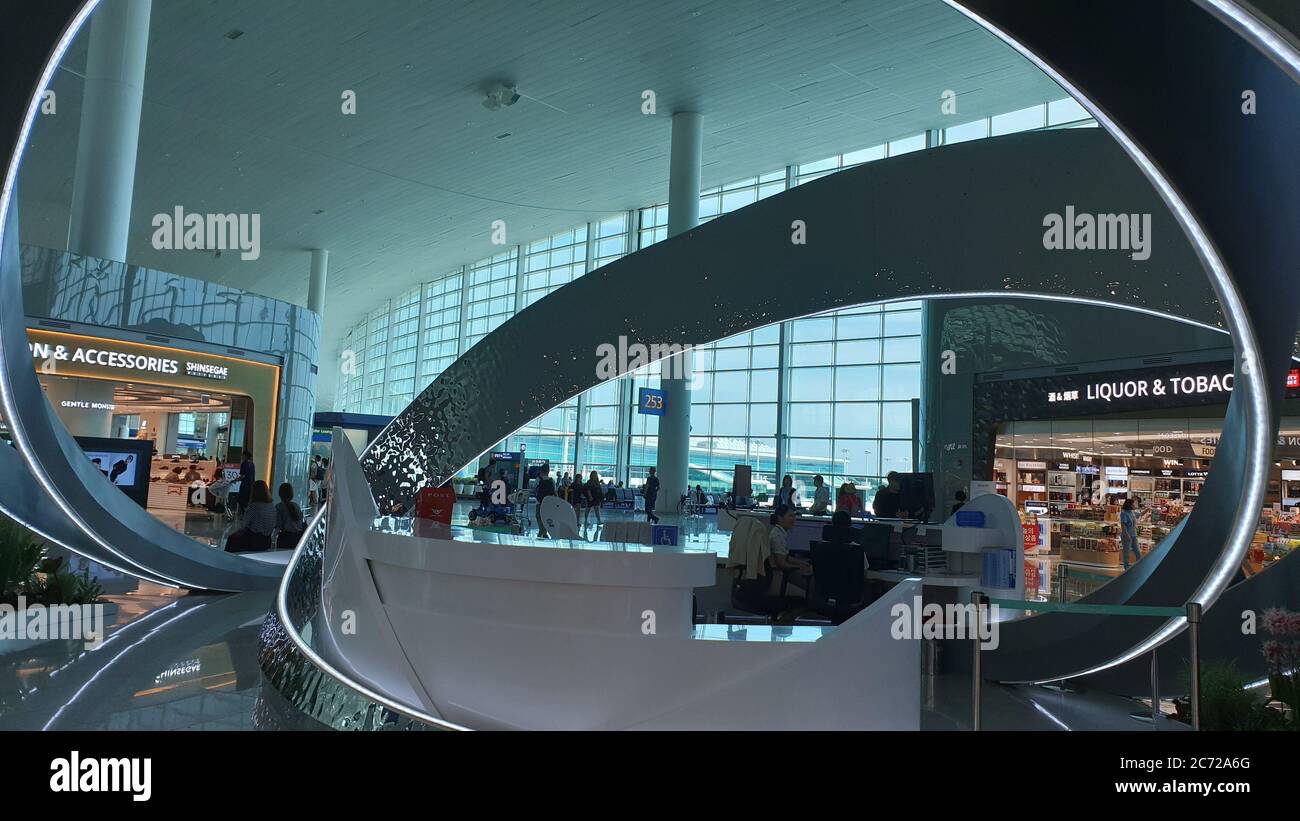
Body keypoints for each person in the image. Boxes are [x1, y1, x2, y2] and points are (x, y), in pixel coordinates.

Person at [227, 480, 276, 552]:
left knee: (231, 539)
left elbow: (244, 525)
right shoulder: (271, 506)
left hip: (253, 539)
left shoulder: (254, 506)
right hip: (267, 540)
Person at [768, 503, 812, 579]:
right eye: (790, 516)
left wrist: (802, 563)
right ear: (780, 518)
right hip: (777, 575)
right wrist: (799, 566)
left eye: (794, 516)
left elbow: (785, 557)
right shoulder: (777, 536)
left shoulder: (779, 532)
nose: (794, 519)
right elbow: (782, 564)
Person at [275, 482, 306, 549]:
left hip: (285, 538)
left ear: (280, 494)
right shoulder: (296, 506)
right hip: (298, 538)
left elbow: (279, 525)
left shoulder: (279, 507)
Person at [535, 464, 556, 537]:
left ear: (541, 470)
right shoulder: (551, 480)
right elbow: (554, 491)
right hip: (548, 502)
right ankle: (544, 531)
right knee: (546, 517)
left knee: (538, 516)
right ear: (548, 471)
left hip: (539, 501)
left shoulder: (538, 479)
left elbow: (534, 489)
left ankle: (542, 531)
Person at [1120, 497, 1141, 569]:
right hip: (1127, 535)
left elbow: (1139, 515)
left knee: (1138, 552)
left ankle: (1138, 566)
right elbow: (1123, 525)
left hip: (1134, 535)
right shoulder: (1124, 513)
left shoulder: (1132, 512)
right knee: (1126, 552)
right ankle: (1126, 568)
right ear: (1130, 505)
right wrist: (1126, 535)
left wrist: (1148, 509)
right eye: (1133, 504)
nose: (1135, 505)